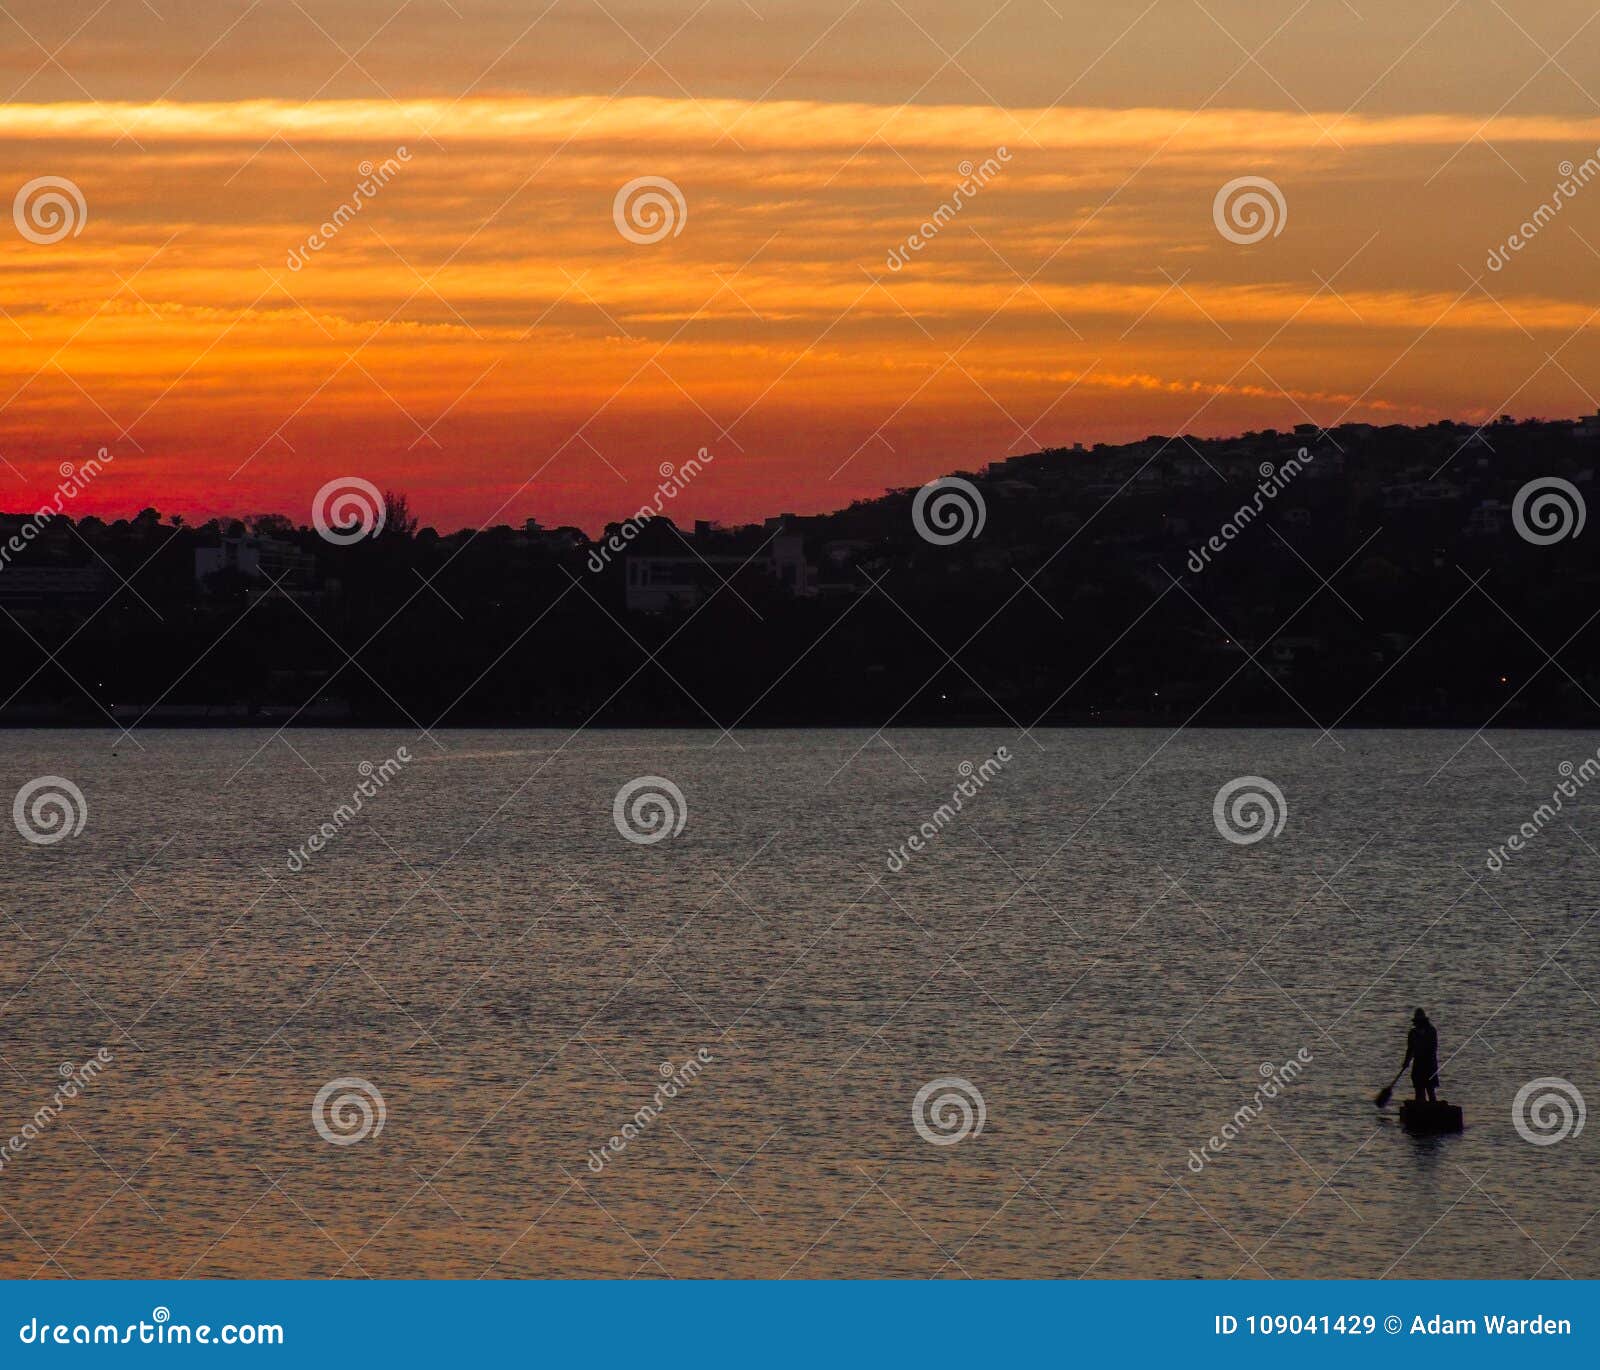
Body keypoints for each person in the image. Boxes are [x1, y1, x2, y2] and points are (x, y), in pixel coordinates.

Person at [1400, 1008, 1439, 1103]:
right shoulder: (1412, 1033)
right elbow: (1410, 1050)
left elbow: (1433, 1048)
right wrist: (1406, 1062)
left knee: (1430, 1090)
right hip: (1419, 1065)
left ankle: (1432, 1109)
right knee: (1419, 1091)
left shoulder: (1431, 1031)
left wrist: (1420, 1051)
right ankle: (1421, 1108)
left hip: (1430, 1065)